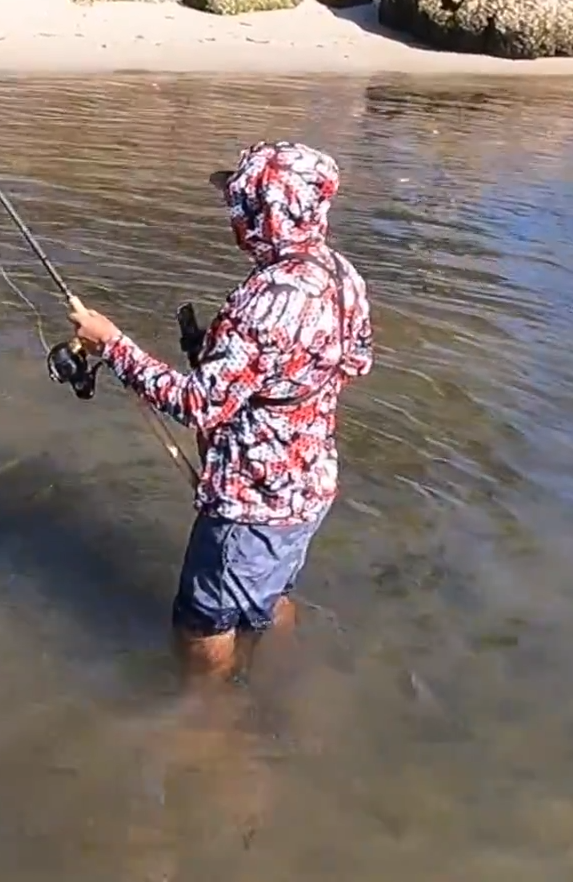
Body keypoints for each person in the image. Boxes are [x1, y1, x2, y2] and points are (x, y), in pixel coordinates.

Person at [66, 140, 374, 688]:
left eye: (243, 203)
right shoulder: (341, 274)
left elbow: (195, 403)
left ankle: (212, 737)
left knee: (201, 625)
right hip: (309, 486)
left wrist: (111, 344)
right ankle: (290, 685)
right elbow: (350, 363)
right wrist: (253, 370)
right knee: (270, 598)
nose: (234, 216)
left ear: (268, 209)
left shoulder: (267, 299)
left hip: (252, 500)